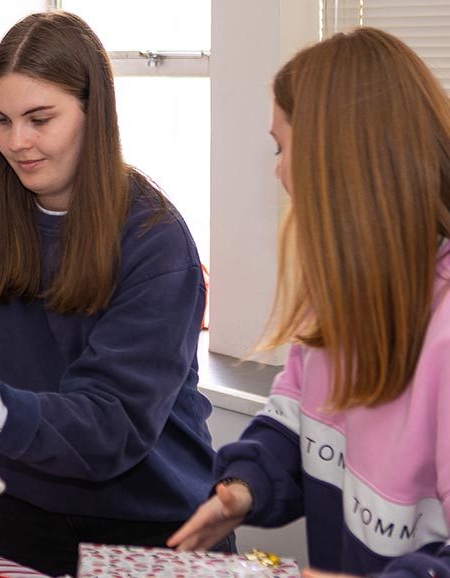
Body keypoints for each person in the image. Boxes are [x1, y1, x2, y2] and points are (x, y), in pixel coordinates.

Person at [0, 11, 225, 576]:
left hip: (154, 528)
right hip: (28, 516)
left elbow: (111, 424)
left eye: (41, 119)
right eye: (2, 120)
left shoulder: (153, 239)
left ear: (95, 111)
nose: (17, 142)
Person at [167, 27, 450, 578]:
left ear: (337, 158)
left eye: (282, 146)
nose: (278, 169)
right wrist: (242, 488)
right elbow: (293, 422)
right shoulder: (343, 296)